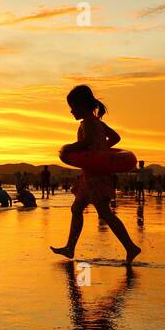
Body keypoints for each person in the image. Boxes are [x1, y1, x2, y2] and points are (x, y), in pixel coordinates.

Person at [50, 84, 141, 266]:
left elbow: (88, 141)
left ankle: (131, 246)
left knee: (105, 213)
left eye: (73, 107)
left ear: (83, 106)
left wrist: (68, 148)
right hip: (91, 175)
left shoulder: (89, 123)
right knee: (77, 209)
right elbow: (116, 138)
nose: (71, 111)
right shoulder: (99, 122)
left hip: (96, 176)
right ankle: (70, 247)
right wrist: (102, 151)